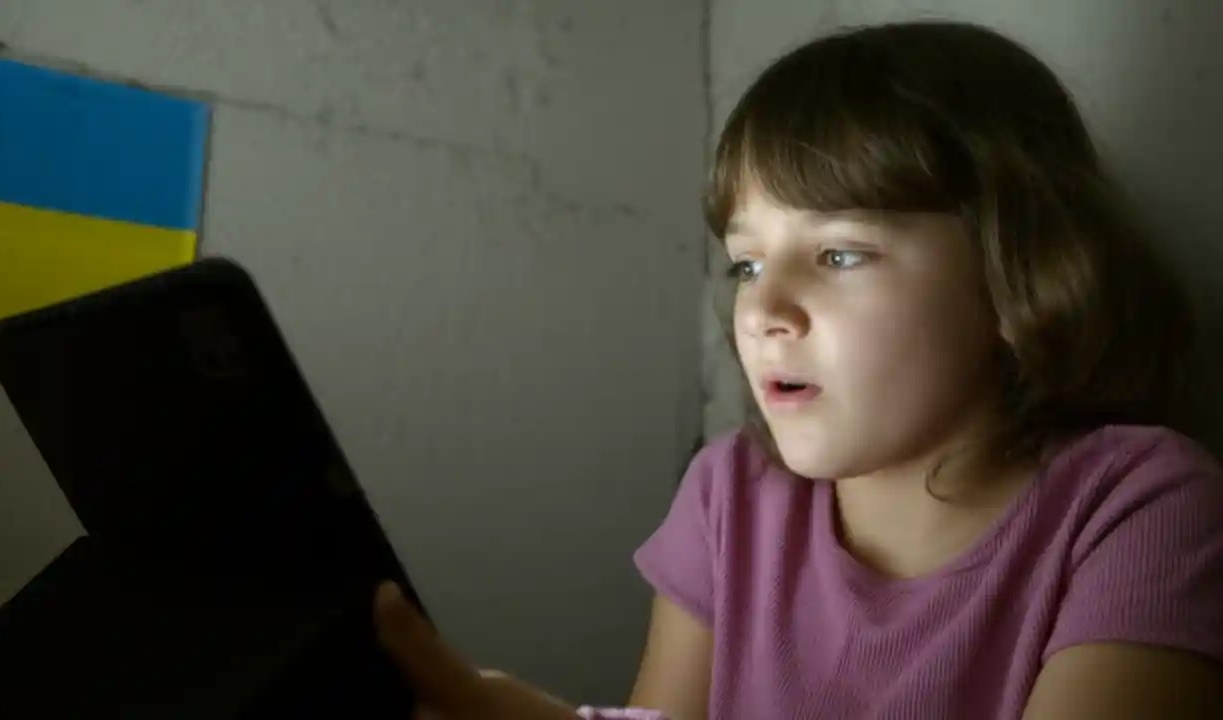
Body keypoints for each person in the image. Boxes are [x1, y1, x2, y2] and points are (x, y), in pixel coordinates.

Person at [373, 19, 1223, 719]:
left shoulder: (1139, 509)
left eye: (840, 254)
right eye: (746, 265)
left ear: (1017, 273)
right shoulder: (730, 496)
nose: (762, 308)